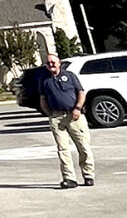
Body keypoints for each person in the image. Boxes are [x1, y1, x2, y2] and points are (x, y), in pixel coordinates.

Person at [37, 51, 94, 189]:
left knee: (83, 146)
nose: (51, 64)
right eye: (48, 63)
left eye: (53, 62)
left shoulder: (70, 76)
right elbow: (43, 99)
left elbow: (81, 93)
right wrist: (50, 114)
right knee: (62, 149)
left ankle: (88, 175)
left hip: (74, 116)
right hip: (57, 117)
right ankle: (69, 178)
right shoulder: (44, 80)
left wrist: (77, 108)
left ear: (59, 64)